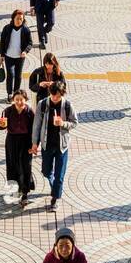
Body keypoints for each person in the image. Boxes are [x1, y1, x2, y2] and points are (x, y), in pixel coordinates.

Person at [31, 81, 78, 211]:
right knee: (46, 171)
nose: (54, 98)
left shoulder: (67, 106)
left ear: (62, 94)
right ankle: (54, 187)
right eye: (53, 95)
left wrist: (63, 123)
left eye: (57, 96)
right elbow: (36, 125)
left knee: (60, 175)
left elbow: (74, 123)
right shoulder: (43, 104)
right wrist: (35, 143)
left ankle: (55, 198)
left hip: (62, 146)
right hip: (47, 144)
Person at [0, 90, 35, 207]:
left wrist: (34, 144)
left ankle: (25, 193)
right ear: (13, 100)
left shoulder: (29, 112)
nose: (18, 102)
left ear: (25, 100)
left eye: (21, 99)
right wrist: (1, 125)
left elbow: (34, 129)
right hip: (11, 140)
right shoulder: (8, 111)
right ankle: (15, 188)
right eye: (16, 99)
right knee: (12, 165)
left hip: (26, 140)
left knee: (26, 166)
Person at [0, 9, 33, 99]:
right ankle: (9, 93)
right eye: (17, 18)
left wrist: (25, 51)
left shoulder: (26, 30)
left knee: (18, 76)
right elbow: (2, 42)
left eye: (21, 19)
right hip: (8, 56)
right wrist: (2, 55)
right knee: (10, 74)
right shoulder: (7, 28)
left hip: (20, 57)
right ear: (13, 18)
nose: (19, 21)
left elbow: (30, 43)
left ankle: (16, 93)